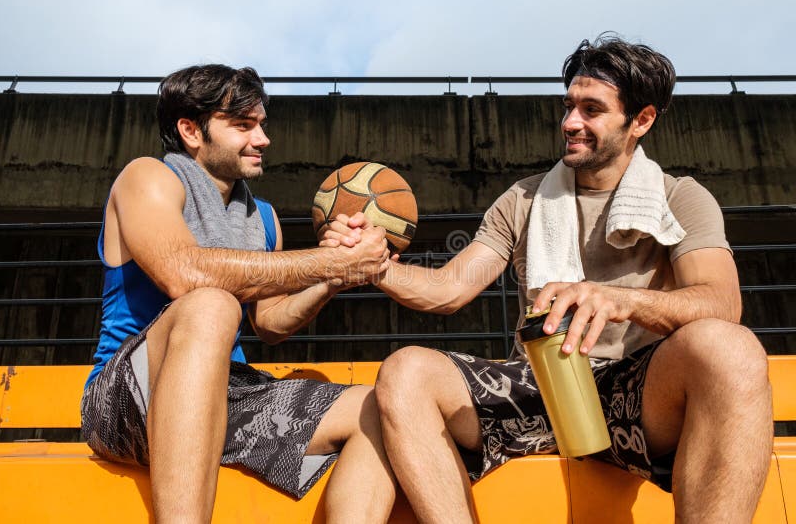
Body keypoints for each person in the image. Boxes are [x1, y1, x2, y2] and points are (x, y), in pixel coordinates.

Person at [322, 35, 772, 523]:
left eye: (591, 110)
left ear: (641, 120)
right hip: (539, 387)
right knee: (406, 369)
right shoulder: (523, 199)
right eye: (569, 106)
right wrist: (377, 265)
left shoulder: (680, 197)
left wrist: (616, 299)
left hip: (636, 393)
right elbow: (450, 288)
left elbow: (721, 303)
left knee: (730, 347)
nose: (570, 123)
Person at [80, 64, 397, 523]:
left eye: (262, 125)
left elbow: (269, 324)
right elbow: (183, 274)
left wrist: (334, 278)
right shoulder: (147, 178)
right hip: (127, 397)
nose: (262, 139)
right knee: (210, 303)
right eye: (243, 126)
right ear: (191, 130)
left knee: (382, 413)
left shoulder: (264, 218)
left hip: (225, 397)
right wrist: (328, 262)